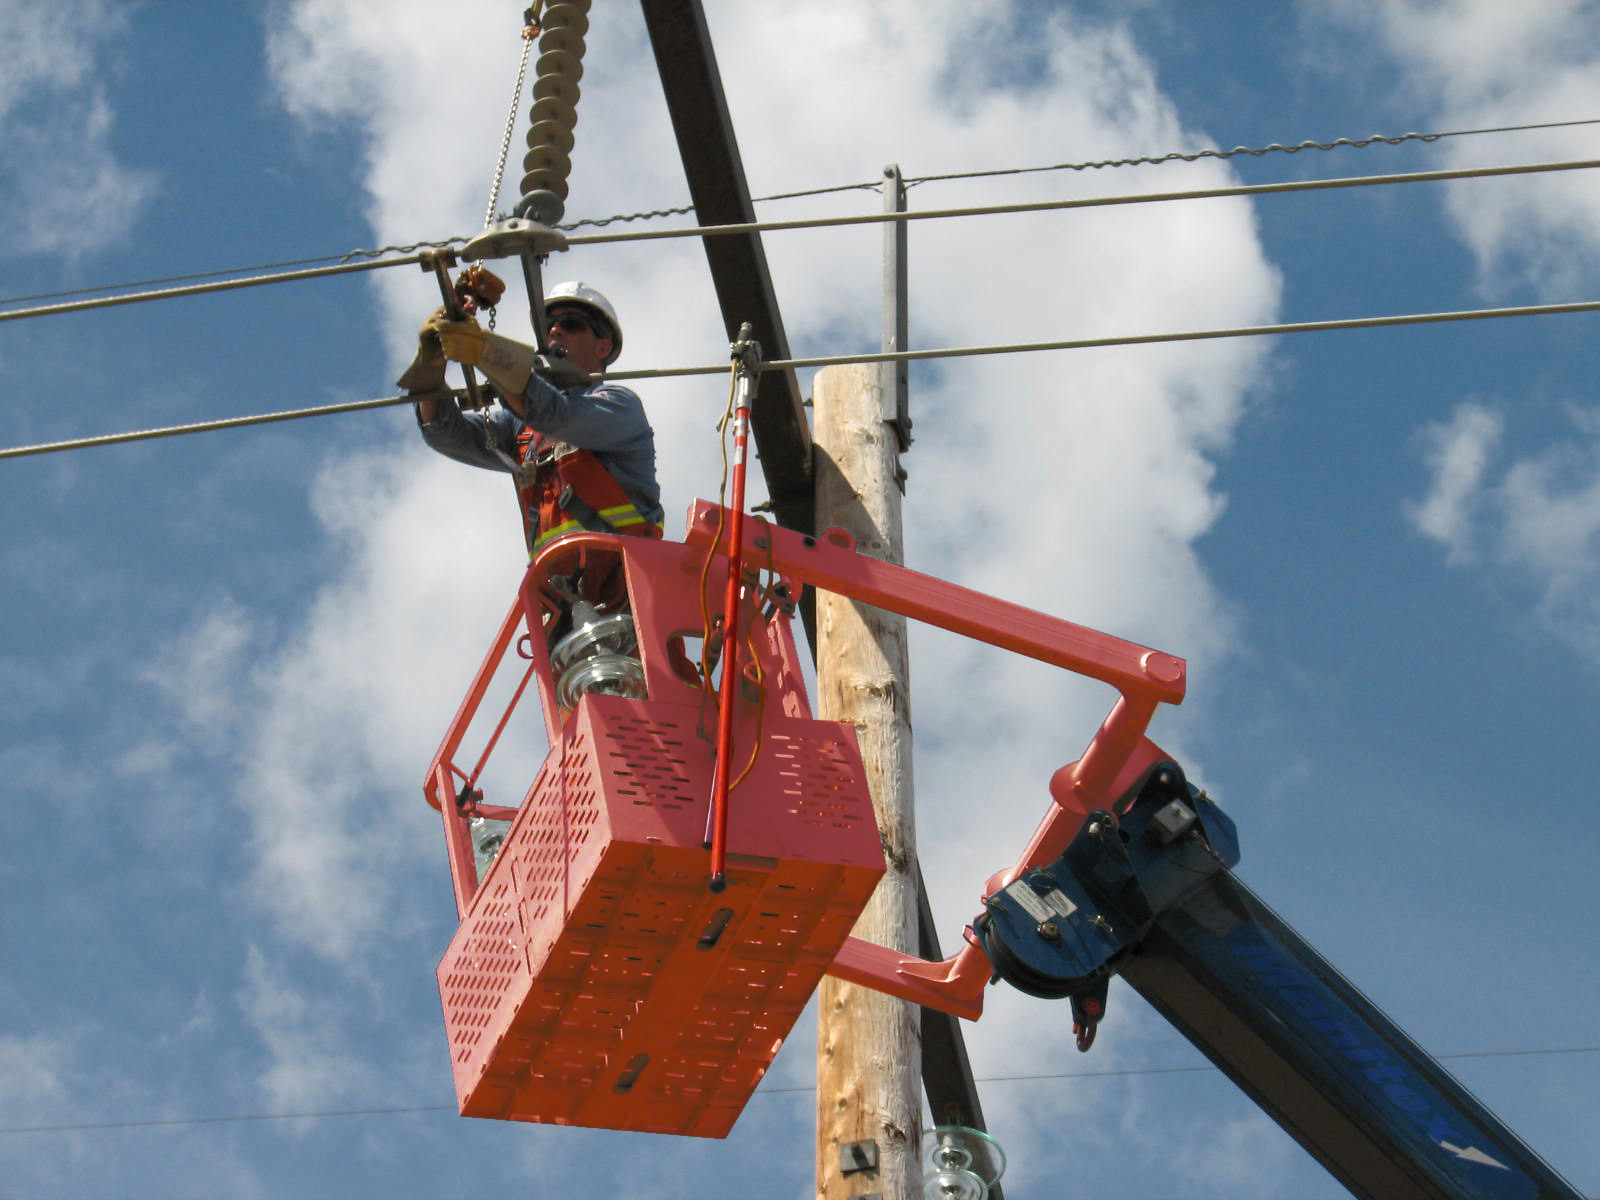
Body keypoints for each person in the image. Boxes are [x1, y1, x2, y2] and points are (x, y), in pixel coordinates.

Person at [400, 280, 664, 559]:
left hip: (628, 579)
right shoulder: (521, 429)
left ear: (603, 347)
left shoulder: (620, 406)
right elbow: (443, 432)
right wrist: (431, 360)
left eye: (571, 323)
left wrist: (485, 352)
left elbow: (554, 413)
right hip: (559, 592)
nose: (554, 330)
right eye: (549, 323)